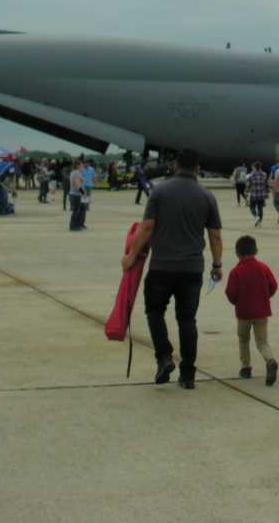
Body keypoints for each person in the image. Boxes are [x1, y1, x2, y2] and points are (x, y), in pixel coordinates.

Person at [121, 149, 223, 389]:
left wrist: (131, 256)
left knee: (154, 312)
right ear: (198, 168)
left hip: (161, 267)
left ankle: (164, 357)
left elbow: (146, 228)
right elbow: (215, 235)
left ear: (176, 166)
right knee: (187, 320)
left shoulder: (160, 191)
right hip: (192, 269)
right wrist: (217, 265)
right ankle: (188, 374)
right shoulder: (207, 195)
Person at [224, 234, 279, 385]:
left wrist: (237, 302)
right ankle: (270, 360)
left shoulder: (236, 272)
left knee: (243, 339)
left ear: (237, 253)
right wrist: (265, 297)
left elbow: (230, 293)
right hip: (262, 311)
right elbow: (273, 285)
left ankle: (246, 367)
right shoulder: (263, 267)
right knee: (262, 341)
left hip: (243, 313)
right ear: (256, 250)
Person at [246, 161, 268, 226]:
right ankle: (260, 221)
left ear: (254, 167)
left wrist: (247, 192)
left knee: (251, 207)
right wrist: (266, 193)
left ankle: (256, 216)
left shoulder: (250, 175)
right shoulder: (264, 174)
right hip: (261, 194)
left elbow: (248, 185)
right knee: (260, 208)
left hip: (253, 194)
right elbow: (265, 184)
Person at [68, 161, 85, 231]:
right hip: (76, 195)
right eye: (82, 166)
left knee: (81, 209)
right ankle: (73, 226)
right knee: (76, 211)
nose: (83, 167)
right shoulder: (77, 173)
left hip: (74, 194)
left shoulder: (73, 172)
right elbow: (77, 184)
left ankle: (78, 224)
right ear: (78, 166)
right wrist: (83, 193)